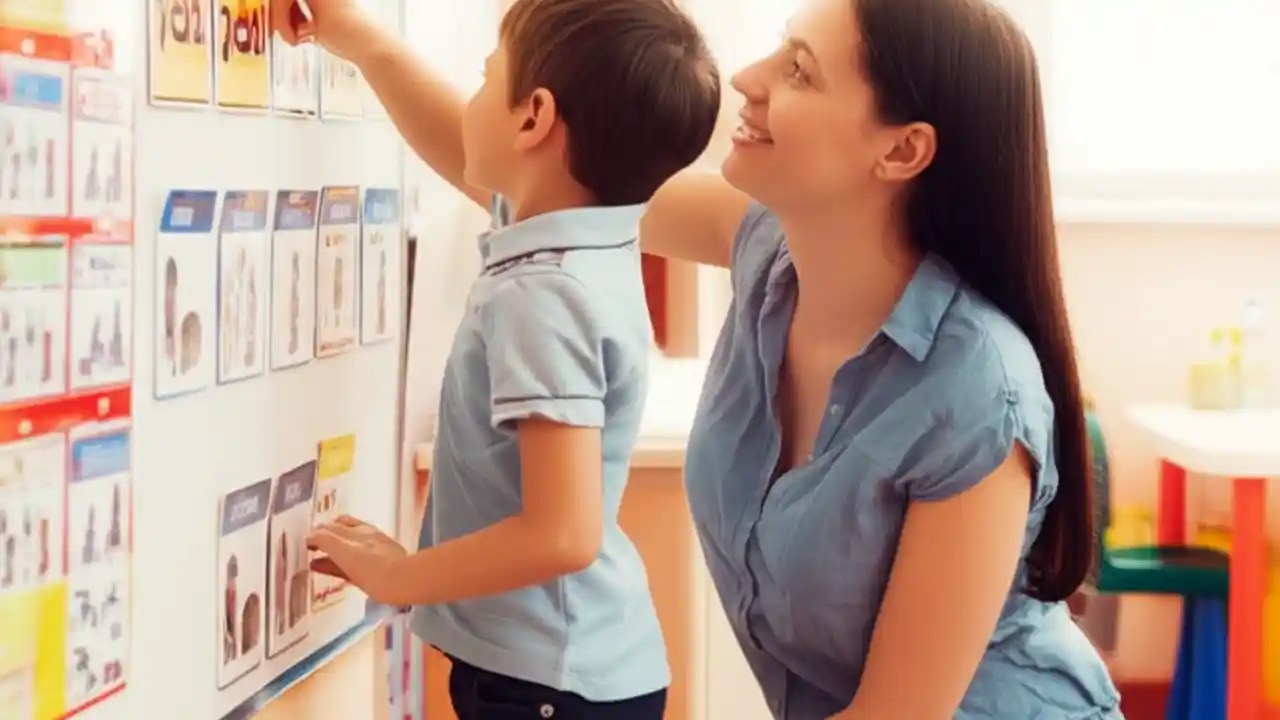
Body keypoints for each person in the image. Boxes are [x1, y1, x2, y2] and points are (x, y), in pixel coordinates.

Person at [277, 0, 719, 718]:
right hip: (569, 671)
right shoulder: (582, 237)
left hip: (552, 687)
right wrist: (361, 41)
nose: (471, 101)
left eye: (486, 80)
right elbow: (460, 149)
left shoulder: (543, 294)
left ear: (534, 118)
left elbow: (563, 532)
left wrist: (401, 575)